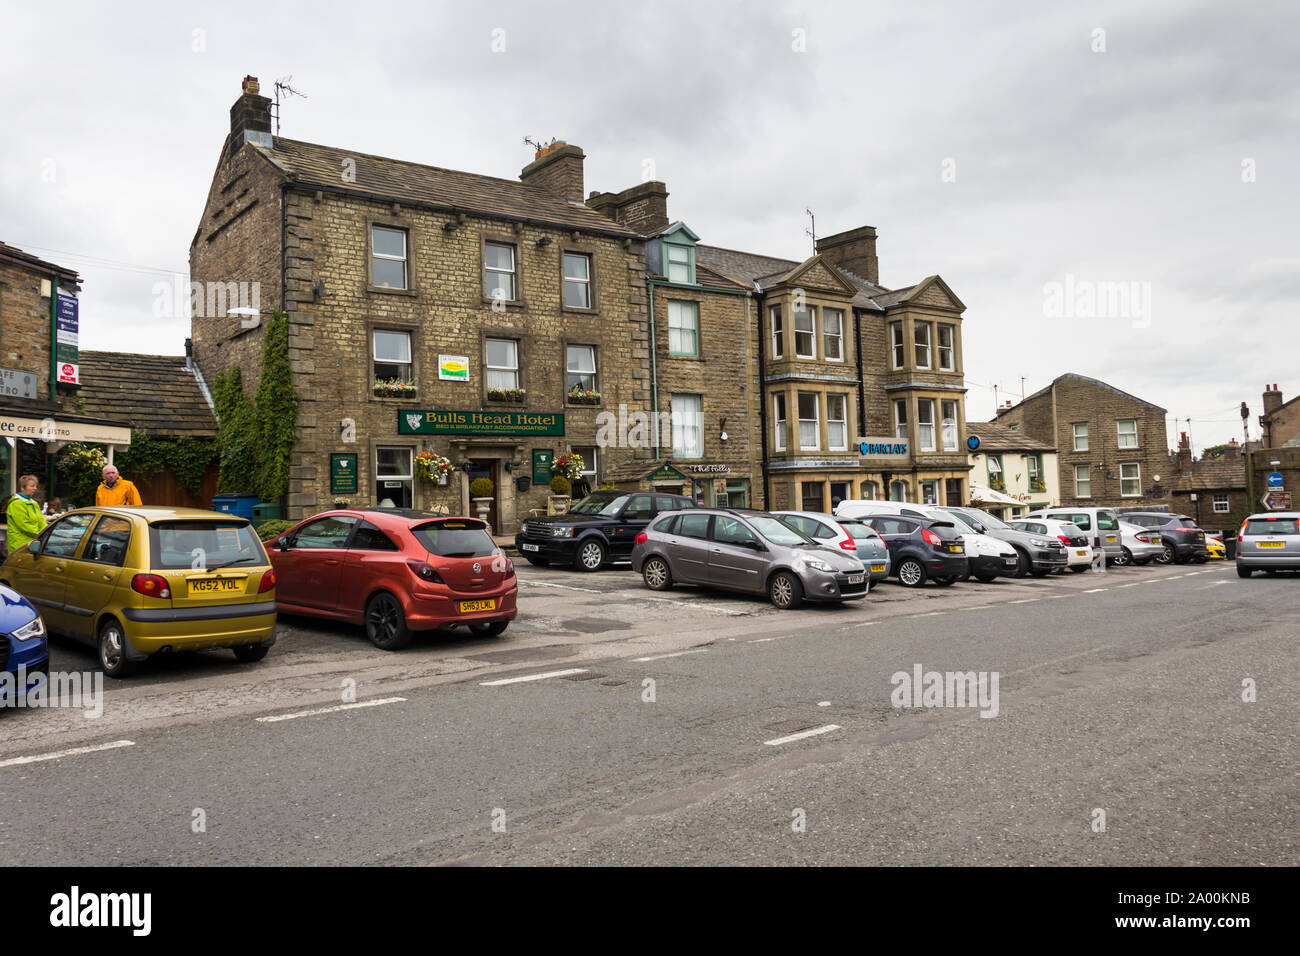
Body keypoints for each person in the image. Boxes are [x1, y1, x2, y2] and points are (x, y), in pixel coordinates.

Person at [6, 475, 48, 554]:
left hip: (33, 543)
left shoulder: (34, 503)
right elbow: (24, 524)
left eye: (35, 486)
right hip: (19, 544)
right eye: (32, 486)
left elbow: (41, 520)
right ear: (22, 488)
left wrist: (46, 531)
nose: (35, 488)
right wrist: (41, 533)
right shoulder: (16, 504)